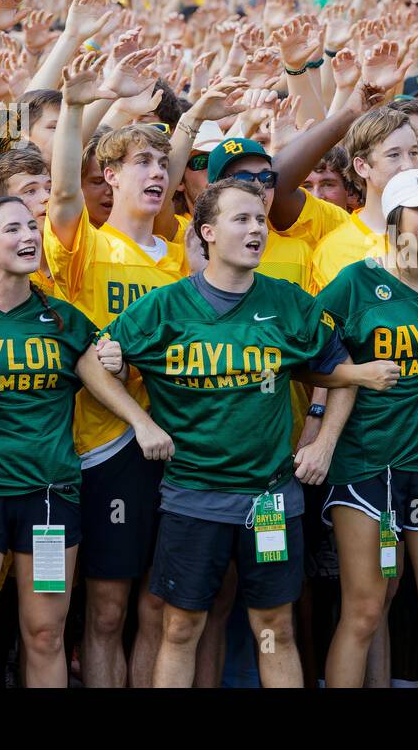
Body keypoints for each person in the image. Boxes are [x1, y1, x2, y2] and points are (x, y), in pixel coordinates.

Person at [96, 179, 393, 686]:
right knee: (181, 625)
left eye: (260, 219)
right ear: (206, 232)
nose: (256, 228)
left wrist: (323, 442)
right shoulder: (163, 307)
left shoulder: (288, 303)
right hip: (193, 498)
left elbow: (342, 372)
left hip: (272, 500)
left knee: (275, 626)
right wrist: (141, 421)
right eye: (242, 219)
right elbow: (96, 363)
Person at [0, 196, 172, 687]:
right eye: (13, 229)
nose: (29, 236)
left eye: (33, 226)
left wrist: (143, 423)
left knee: (46, 633)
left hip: (49, 498)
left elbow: (100, 378)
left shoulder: (64, 320)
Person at [44, 55, 190, 688]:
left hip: (171, 444)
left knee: (161, 606)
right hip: (99, 444)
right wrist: (80, 107)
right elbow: (64, 190)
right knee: (105, 611)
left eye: (163, 163)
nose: (156, 172)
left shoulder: (184, 256)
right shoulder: (88, 245)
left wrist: (189, 126)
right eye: (141, 163)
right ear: (110, 174)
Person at [317, 169, 418, 687]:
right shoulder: (356, 283)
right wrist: (353, 373)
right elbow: (305, 360)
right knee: (364, 612)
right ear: (393, 222)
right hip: (366, 467)